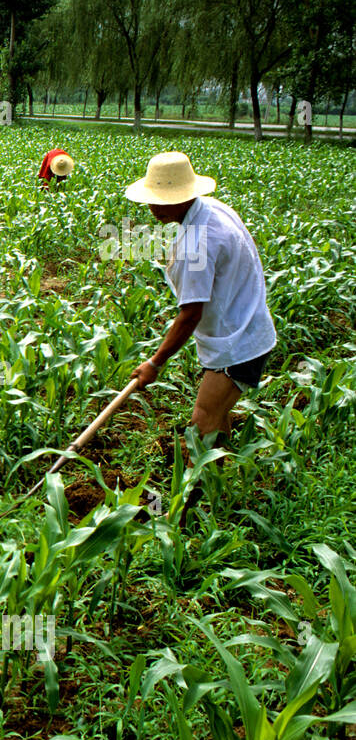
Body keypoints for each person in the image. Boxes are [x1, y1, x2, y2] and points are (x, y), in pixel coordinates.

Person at [125, 152, 277, 515]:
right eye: (152, 198)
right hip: (243, 329)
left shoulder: (198, 241)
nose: (152, 207)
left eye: (161, 200)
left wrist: (154, 364)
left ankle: (179, 513)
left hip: (236, 344)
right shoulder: (213, 209)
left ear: (183, 196)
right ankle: (212, 493)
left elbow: (191, 314)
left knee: (199, 427)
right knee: (216, 423)